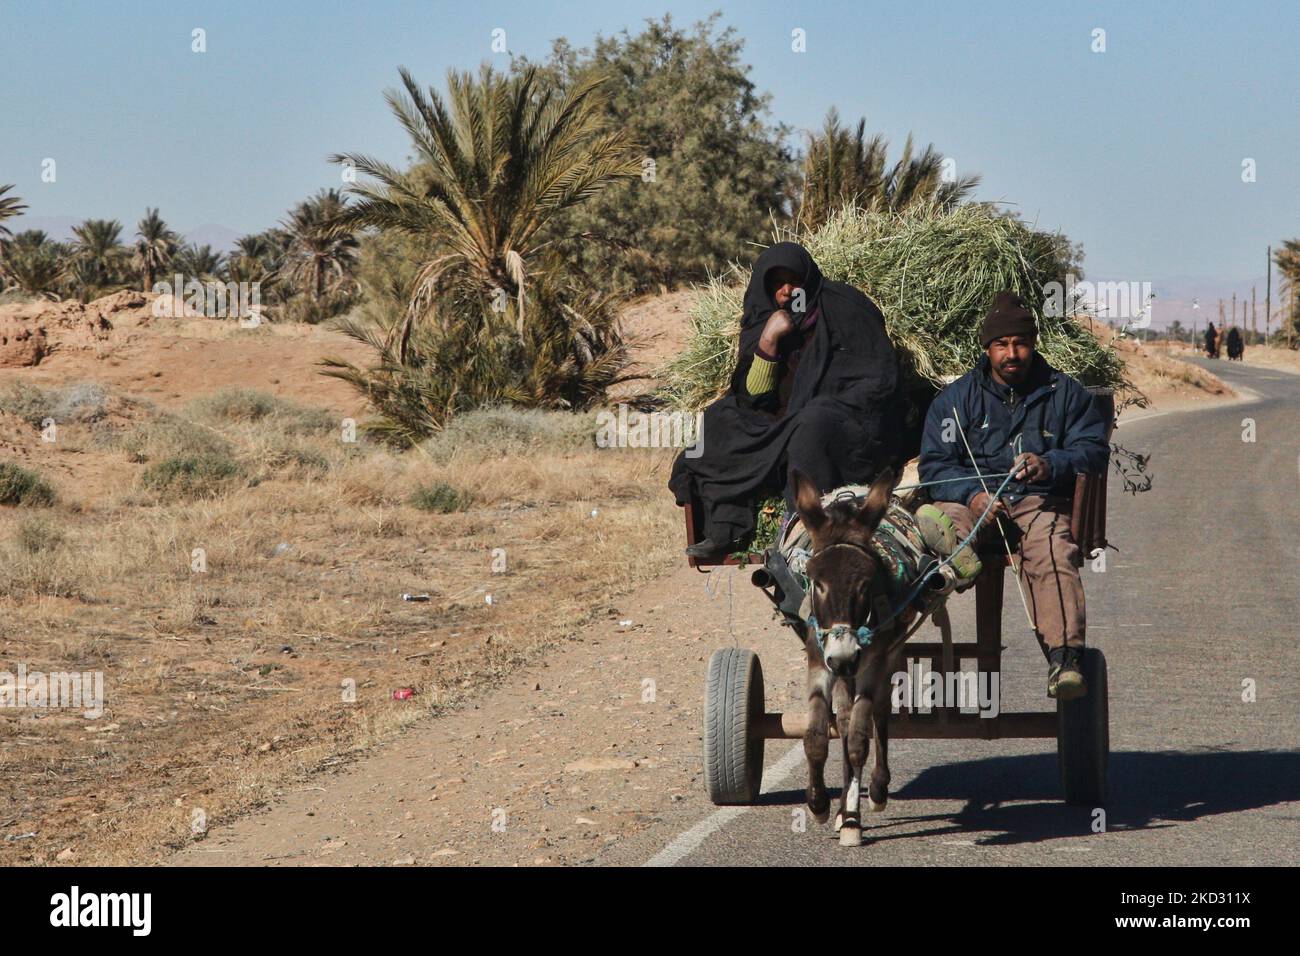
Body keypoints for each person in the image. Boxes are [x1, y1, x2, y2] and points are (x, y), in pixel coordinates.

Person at [918, 291, 1110, 700]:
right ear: (987, 348)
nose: (1012, 353)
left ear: (1034, 343)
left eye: (1020, 343)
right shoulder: (954, 402)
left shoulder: (1065, 394)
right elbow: (935, 466)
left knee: (1051, 551)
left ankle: (1065, 660)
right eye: (1001, 345)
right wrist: (973, 495)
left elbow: (1093, 449)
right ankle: (956, 559)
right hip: (973, 502)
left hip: (1037, 504)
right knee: (946, 520)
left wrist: (1050, 463)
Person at [669, 242, 900, 558]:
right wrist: (769, 339)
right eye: (777, 282)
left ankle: (801, 529)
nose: (787, 290)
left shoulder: (842, 307)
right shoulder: (760, 320)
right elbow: (753, 396)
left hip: (841, 416)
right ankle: (727, 526)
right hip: (780, 418)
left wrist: (828, 405)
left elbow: (878, 376)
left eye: (794, 281)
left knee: (811, 423)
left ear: (808, 280)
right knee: (719, 418)